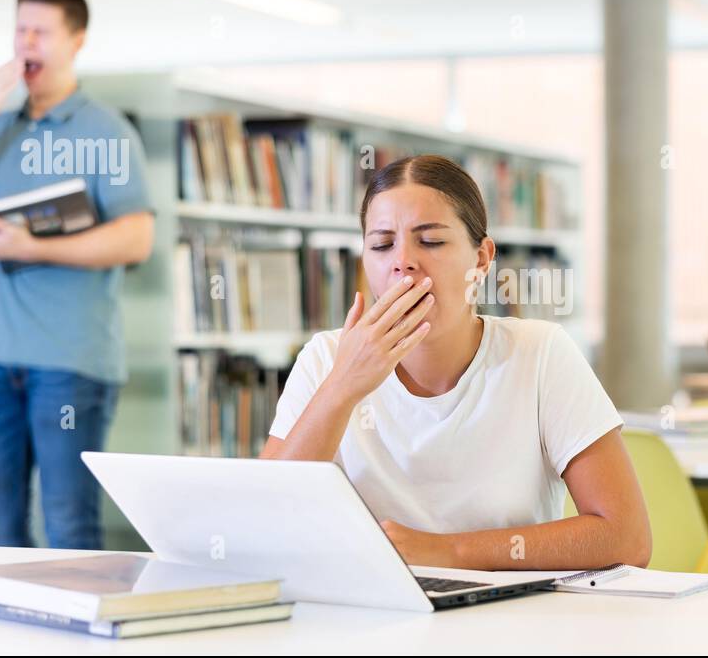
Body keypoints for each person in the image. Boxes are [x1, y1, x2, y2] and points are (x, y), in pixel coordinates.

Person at [261, 155, 651, 570]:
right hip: (370, 617)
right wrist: (343, 386)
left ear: (482, 260)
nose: (402, 261)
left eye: (430, 241)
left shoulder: (541, 353)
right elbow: (265, 522)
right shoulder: (325, 359)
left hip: (513, 618)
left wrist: (449, 551)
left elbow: (626, 538)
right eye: (381, 244)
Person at [0, 0, 154, 549]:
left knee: (69, 524)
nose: (27, 42)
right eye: (20, 29)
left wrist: (32, 248)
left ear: (76, 40)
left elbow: (136, 238)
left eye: (41, 31)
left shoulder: (107, 132)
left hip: (71, 367)